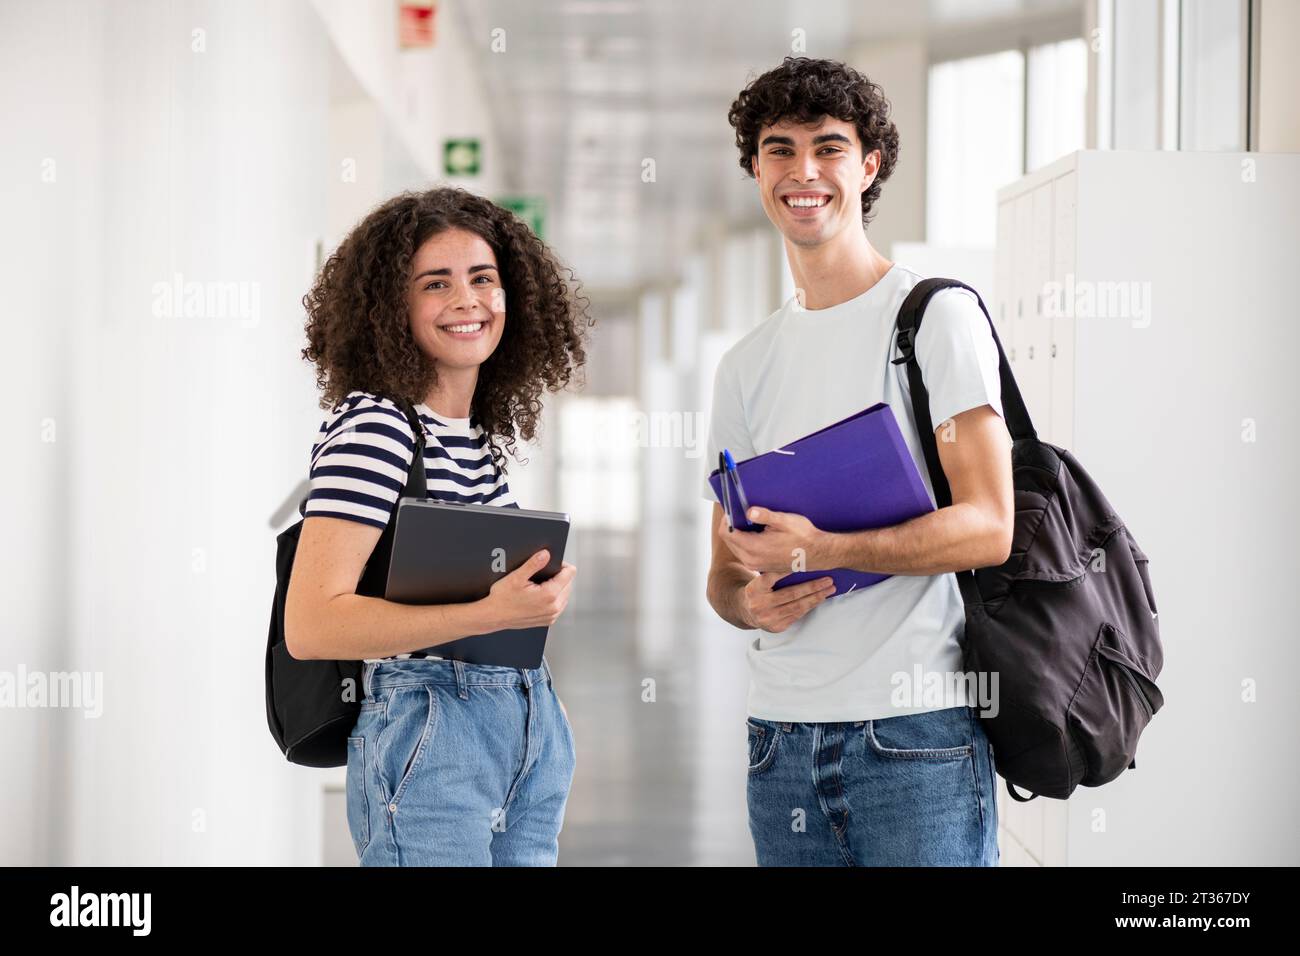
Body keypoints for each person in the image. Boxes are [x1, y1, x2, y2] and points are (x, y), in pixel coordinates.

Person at [704, 57, 1013, 866]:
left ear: (868, 166)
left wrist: (829, 550)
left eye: (829, 148)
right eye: (779, 149)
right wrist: (751, 602)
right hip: (779, 742)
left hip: (914, 736)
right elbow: (722, 577)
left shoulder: (933, 319)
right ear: (755, 170)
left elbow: (989, 526)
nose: (803, 172)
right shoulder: (745, 364)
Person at [285, 186, 591, 866]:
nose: (467, 300)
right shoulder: (377, 427)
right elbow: (312, 625)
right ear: (393, 308)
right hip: (431, 735)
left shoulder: (469, 434)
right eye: (436, 283)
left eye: (483, 278)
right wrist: (487, 614)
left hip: (525, 725)